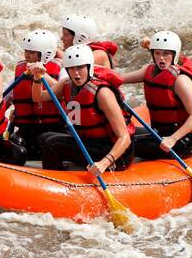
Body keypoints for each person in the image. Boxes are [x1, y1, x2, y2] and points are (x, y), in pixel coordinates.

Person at [29, 43, 133, 174]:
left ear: (89, 67)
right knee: (44, 138)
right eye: (71, 68)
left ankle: (55, 180)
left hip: (115, 153)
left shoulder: (102, 93)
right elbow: (38, 97)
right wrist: (37, 77)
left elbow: (124, 137)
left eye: (80, 67)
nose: (76, 73)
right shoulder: (67, 84)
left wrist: (104, 163)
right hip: (90, 143)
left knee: (52, 144)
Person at [117, 30, 192, 160]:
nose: (161, 58)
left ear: (175, 54)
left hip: (182, 141)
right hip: (159, 133)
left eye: (166, 54)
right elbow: (119, 78)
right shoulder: (150, 70)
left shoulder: (181, 81)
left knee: (124, 143)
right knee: (119, 134)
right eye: (157, 53)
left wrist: (173, 139)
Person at [9, 29, 63, 160]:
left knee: (49, 143)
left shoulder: (62, 69)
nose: (27, 56)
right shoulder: (22, 70)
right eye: (26, 51)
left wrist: (42, 74)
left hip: (54, 127)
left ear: (45, 54)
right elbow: (8, 96)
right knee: (15, 143)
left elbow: (64, 90)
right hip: (27, 128)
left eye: (31, 52)